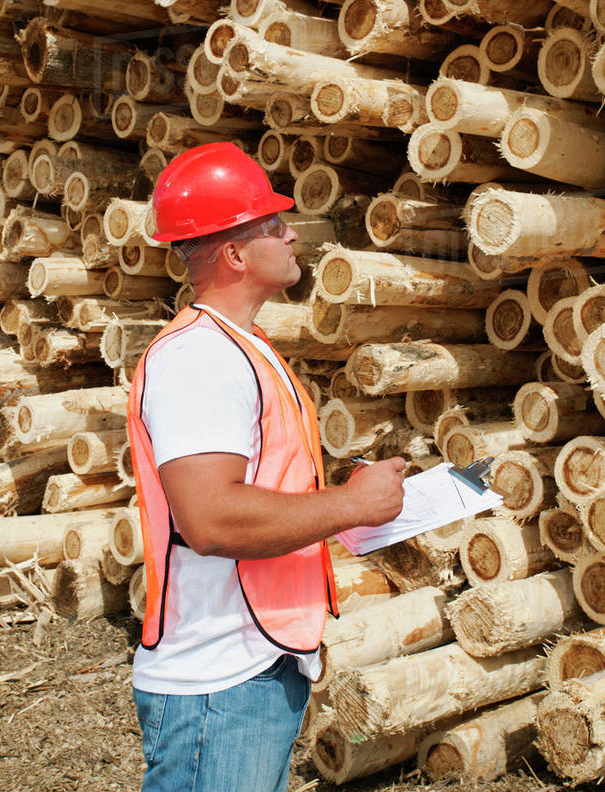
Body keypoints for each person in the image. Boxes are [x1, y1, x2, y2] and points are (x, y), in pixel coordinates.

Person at [127, 141, 406, 792]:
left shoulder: (240, 347)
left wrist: (355, 501)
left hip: (250, 668)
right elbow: (211, 519)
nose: (292, 235)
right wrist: (352, 504)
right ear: (234, 254)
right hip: (216, 684)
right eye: (274, 225)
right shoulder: (199, 359)